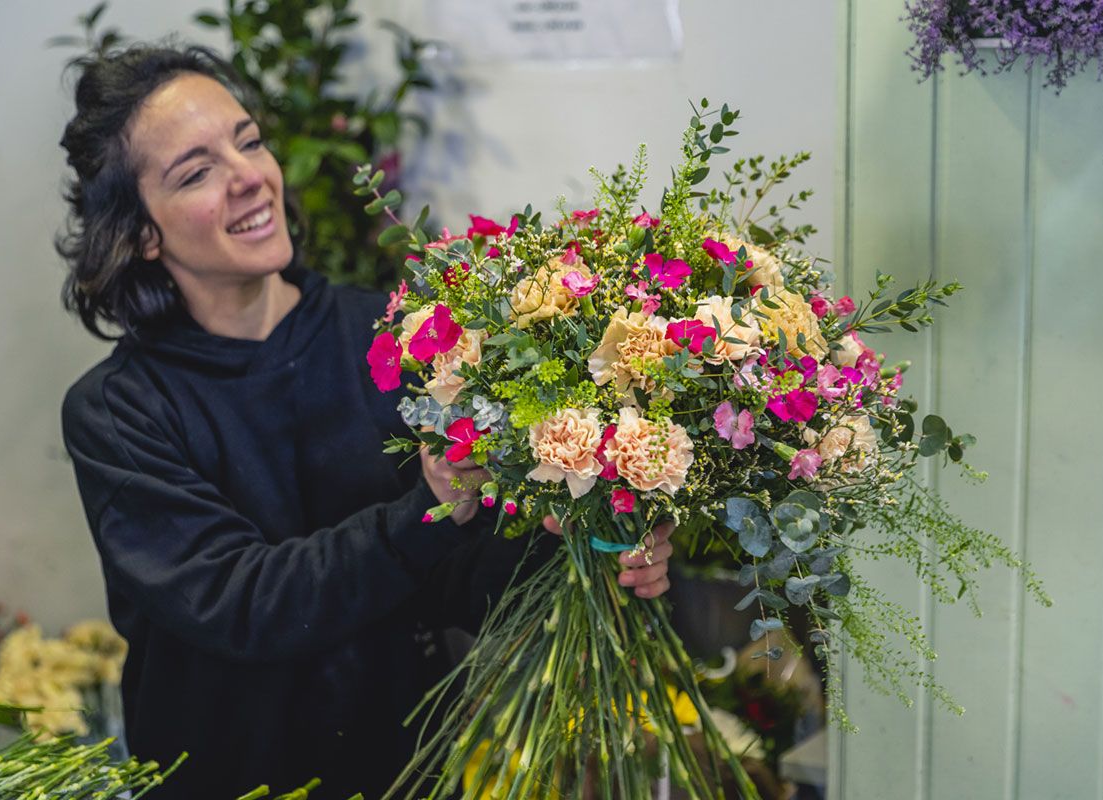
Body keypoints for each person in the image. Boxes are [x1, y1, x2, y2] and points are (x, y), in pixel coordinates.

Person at [57, 44, 674, 799]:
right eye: (196, 172)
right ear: (142, 233)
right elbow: (243, 604)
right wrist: (430, 508)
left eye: (248, 141)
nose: (249, 175)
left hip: (408, 772)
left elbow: (460, 577)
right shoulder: (119, 413)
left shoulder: (387, 334)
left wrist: (589, 542)